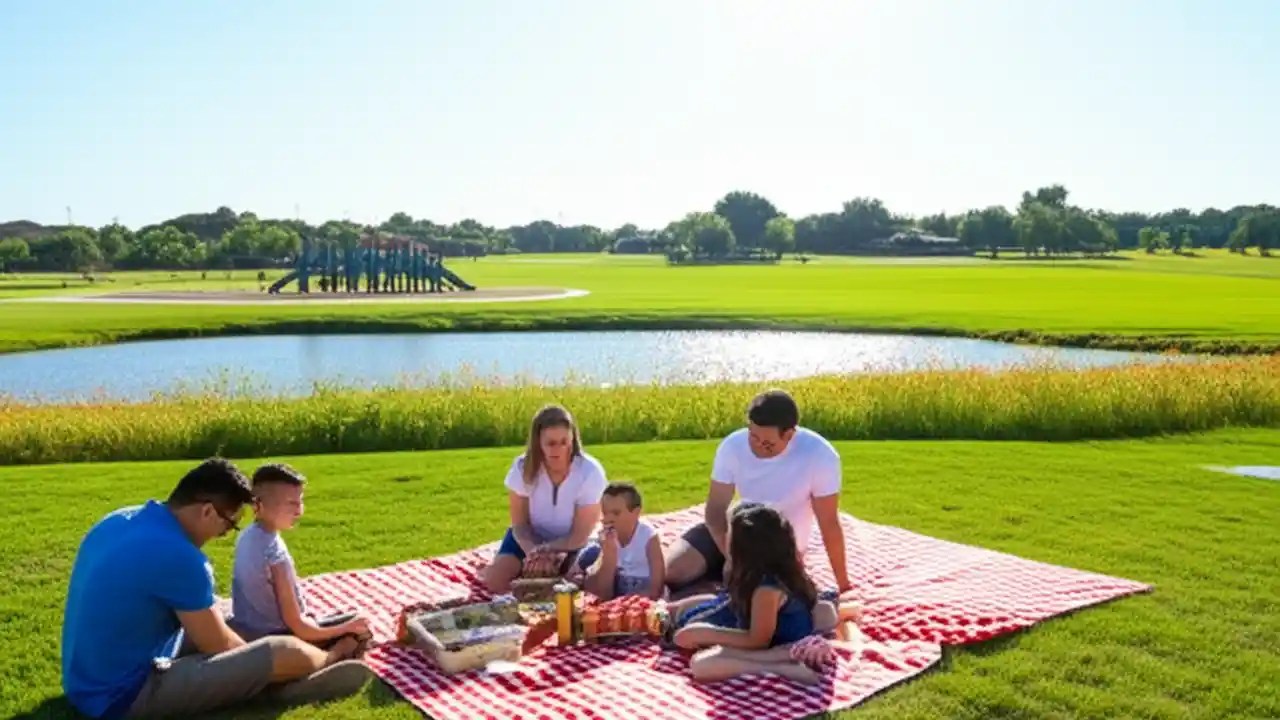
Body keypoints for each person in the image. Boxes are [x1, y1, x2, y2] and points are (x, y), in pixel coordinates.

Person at [61, 458, 371, 720]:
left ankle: (299, 656)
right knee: (276, 651)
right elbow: (222, 646)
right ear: (207, 511)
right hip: (122, 694)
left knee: (223, 611)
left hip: (88, 676)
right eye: (228, 525)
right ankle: (331, 658)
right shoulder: (179, 557)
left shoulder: (120, 519)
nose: (224, 533)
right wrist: (260, 664)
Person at [664, 389, 852, 595]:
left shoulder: (819, 455)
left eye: (767, 444)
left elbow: (829, 522)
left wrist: (844, 585)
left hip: (778, 546)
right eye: (753, 437)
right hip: (731, 534)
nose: (757, 447)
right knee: (672, 571)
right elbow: (715, 510)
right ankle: (720, 577)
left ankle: (720, 584)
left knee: (765, 597)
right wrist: (731, 556)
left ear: (789, 435)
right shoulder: (733, 446)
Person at [668, 502, 839, 685]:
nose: (725, 539)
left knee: (702, 664)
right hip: (770, 630)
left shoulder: (766, 590)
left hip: (777, 646)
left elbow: (758, 641)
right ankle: (778, 660)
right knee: (698, 605)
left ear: (745, 550)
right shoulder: (769, 570)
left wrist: (703, 633)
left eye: (730, 535)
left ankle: (780, 667)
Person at [230, 463, 373, 647]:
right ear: (259, 505)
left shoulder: (246, 536)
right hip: (278, 638)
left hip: (246, 628)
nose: (299, 511)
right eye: (292, 503)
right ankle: (331, 657)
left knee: (348, 621)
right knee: (361, 627)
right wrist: (346, 628)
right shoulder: (273, 554)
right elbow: (297, 625)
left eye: (301, 501)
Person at [480, 404, 608, 593]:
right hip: (529, 540)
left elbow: (579, 535)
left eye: (564, 442)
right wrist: (534, 552)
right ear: (538, 442)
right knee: (495, 581)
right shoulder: (522, 468)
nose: (558, 449)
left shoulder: (589, 472)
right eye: (551, 443)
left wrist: (548, 551)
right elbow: (519, 525)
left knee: (583, 587)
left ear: (572, 439)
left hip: (574, 544)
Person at [579, 482, 665, 600]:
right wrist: (609, 555)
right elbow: (602, 594)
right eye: (605, 513)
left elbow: (656, 588)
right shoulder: (604, 539)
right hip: (616, 592)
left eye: (616, 513)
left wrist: (630, 603)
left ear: (636, 513)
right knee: (589, 556)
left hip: (641, 595)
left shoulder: (648, 537)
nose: (609, 519)